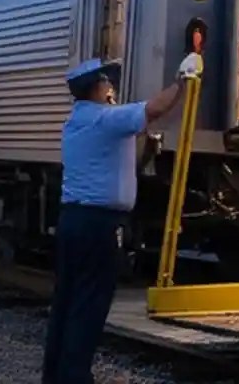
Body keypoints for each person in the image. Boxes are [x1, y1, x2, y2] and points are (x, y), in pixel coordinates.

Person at [42, 57, 189, 384]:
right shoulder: (106, 119)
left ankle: (55, 376)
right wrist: (183, 81)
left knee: (66, 301)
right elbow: (154, 109)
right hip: (99, 225)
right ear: (97, 87)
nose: (111, 86)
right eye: (107, 81)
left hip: (73, 220)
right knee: (90, 304)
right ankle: (75, 377)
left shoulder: (76, 122)